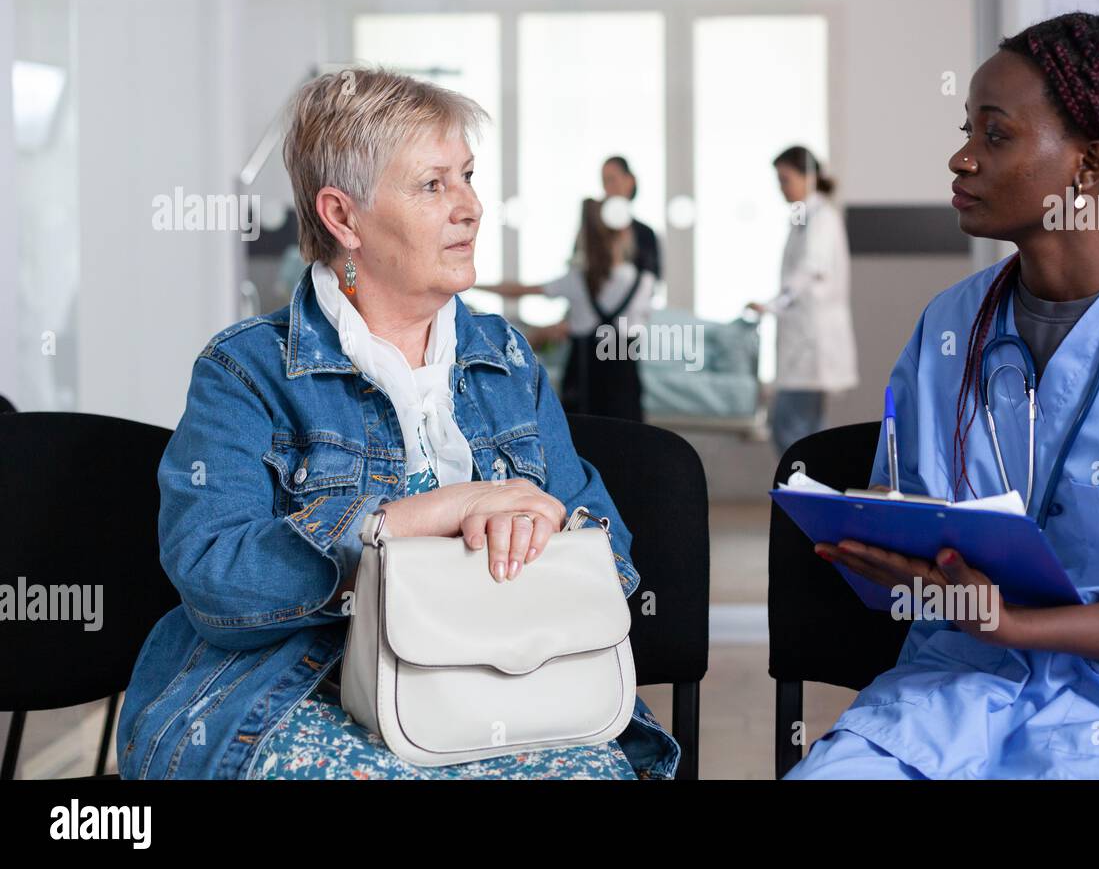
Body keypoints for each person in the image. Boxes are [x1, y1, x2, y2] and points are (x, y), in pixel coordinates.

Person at [115, 68, 679, 780]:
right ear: (342, 217)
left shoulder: (506, 359)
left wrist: (548, 529)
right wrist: (429, 514)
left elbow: (611, 550)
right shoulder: (244, 370)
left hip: (509, 682)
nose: (471, 207)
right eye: (433, 185)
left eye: (469, 176)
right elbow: (214, 573)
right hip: (294, 694)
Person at [786, 12, 1099, 779]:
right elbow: (913, 514)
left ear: (1088, 166)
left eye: (995, 135)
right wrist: (891, 553)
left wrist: (1017, 625)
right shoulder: (949, 324)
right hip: (955, 692)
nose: (961, 157)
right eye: (967, 130)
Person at [479, 198, 653, 423]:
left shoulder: (577, 279)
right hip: (625, 386)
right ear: (625, 235)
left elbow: (518, 290)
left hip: (583, 382)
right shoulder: (644, 283)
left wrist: (472, 284)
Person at [746, 146, 858, 456]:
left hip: (811, 343)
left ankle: (807, 494)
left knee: (790, 429)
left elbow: (807, 272)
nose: (781, 187)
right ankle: (812, 495)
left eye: (785, 179)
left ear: (808, 176)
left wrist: (772, 305)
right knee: (806, 430)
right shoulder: (806, 217)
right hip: (803, 340)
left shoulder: (821, 219)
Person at [601, 155, 661, 280]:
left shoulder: (645, 233)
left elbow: (652, 278)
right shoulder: (592, 229)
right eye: (604, 181)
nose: (608, 187)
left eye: (612, 180)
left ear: (630, 181)